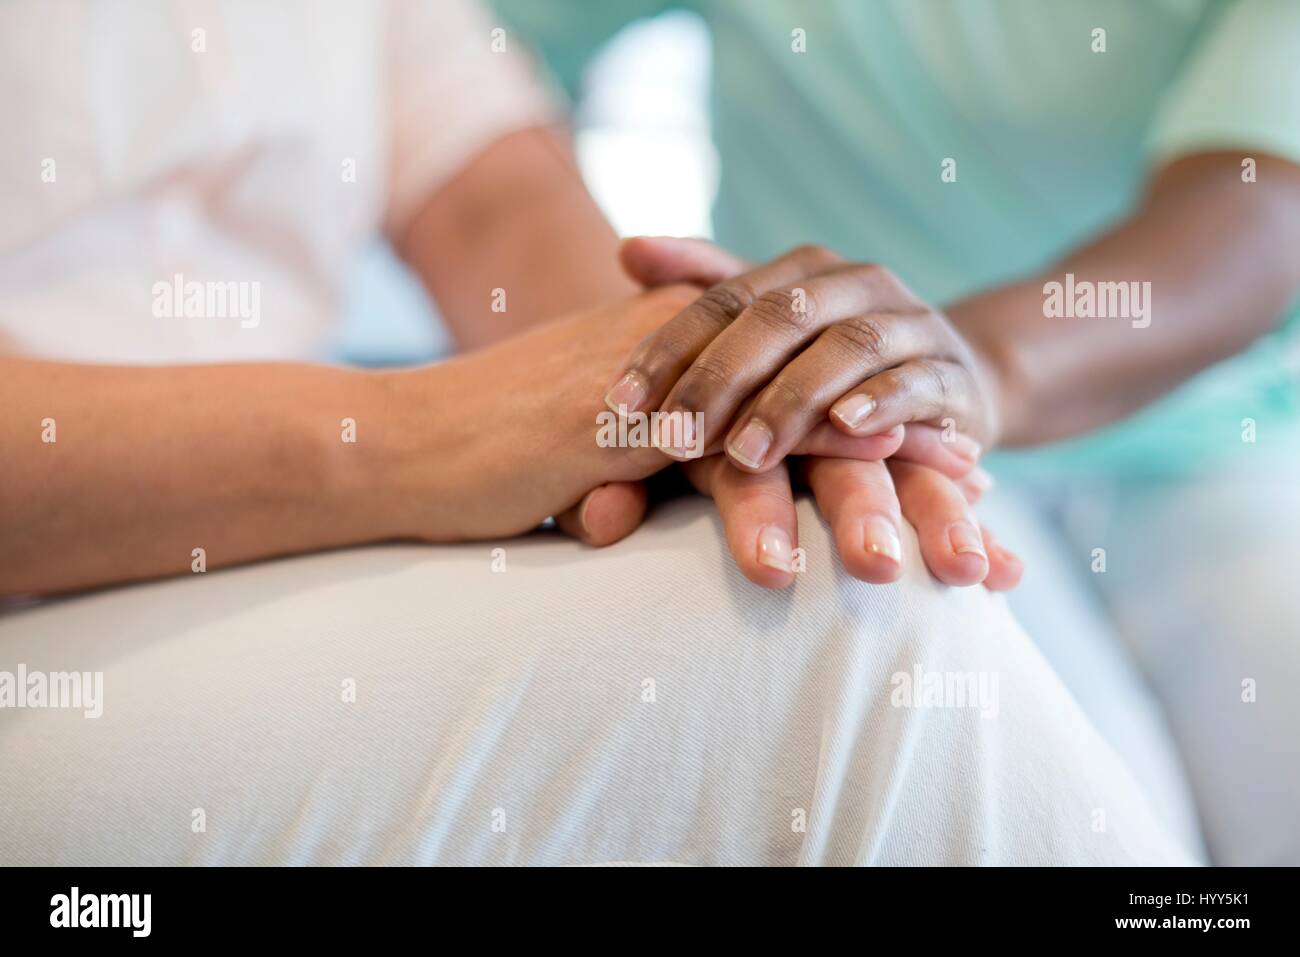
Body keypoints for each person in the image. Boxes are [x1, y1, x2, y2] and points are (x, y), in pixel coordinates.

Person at [1, 0, 1191, 865]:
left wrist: (721, 393)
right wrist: (415, 434)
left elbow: (487, 181)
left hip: (258, 557)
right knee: (847, 641)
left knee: (864, 570)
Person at [495, 0, 1300, 864]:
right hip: (852, 444)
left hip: (1205, 443)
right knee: (1064, 821)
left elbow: (1258, 208)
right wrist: (648, 354)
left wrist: (979, 367)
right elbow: (475, 93)